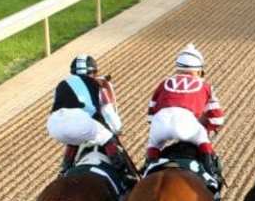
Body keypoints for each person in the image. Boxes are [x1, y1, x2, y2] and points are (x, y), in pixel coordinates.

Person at [145, 44, 226, 183]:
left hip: (160, 122)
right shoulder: (205, 86)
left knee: (153, 144)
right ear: (199, 70)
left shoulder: (164, 83)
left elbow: (150, 116)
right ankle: (211, 176)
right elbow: (218, 119)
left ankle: (146, 173)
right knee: (202, 138)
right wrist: (206, 128)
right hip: (186, 125)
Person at [46, 54, 128, 178]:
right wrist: (116, 129)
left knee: (75, 137)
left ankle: (65, 169)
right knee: (107, 137)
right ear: (93, 72)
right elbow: (111, 116)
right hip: (79, 122)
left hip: (53, 125)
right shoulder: (97, 84)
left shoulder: (62, 84)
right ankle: (122, 172)